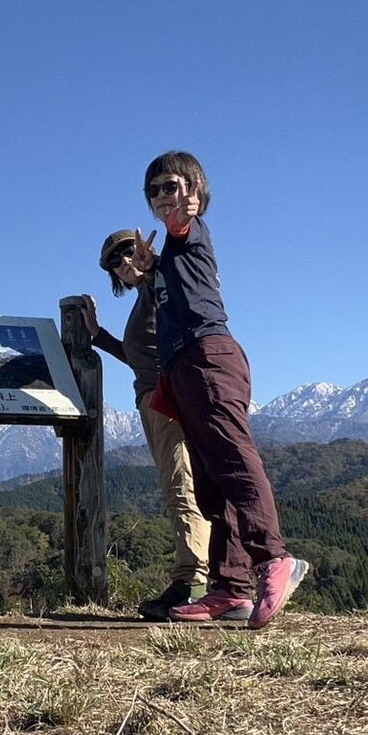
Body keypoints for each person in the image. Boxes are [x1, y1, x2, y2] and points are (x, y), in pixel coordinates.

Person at [133, 151, 308, 629]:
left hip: (207, 357)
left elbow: (185, 228)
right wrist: (150, 273)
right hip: (185, 367)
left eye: (173, 186)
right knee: (210, 481)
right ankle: (230, 590)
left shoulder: (191, 233)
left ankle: (274, 558)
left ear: (195, 190)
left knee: (232, 460)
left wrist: (178, 225)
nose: (165, 198)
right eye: (155, 191)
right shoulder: (171, 256)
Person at [83, 230, 211, 620]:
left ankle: (192, 582)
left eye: (128, 253)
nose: (124, 263)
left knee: (180, 484)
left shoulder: (159, 288)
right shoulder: (142, 302)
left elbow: (168, 283)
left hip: (168, 399)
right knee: (182, 483)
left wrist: (153, 265)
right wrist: (98, 335)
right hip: (154, 400)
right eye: (115, 263)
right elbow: (139, 357)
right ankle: (206, 576)